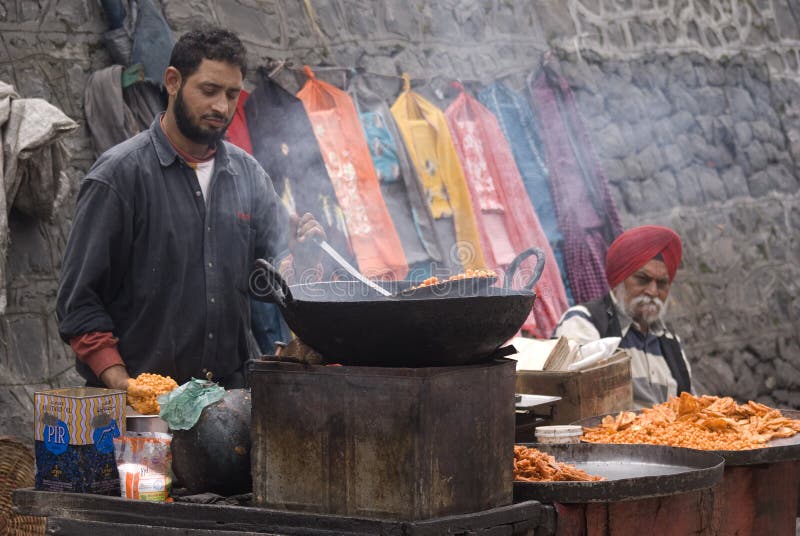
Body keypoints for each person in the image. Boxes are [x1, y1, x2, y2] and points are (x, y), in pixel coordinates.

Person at [57, 28, 324, 390]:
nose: (222, 107)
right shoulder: (118, 177)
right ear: (172, 82)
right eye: (209, 91)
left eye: (232, 94)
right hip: (142, 410)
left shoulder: (248, 175)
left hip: (229, 402)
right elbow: (79, 301)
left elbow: (272, 282)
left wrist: (301, 254)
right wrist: (122, 382)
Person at [553, 225, 692, 407]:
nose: (652, 291)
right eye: (642, 279)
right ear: (620, 279)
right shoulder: (583, 322)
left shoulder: (670, 343)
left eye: (662, 284)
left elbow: (691, 412)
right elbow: (578, 401)